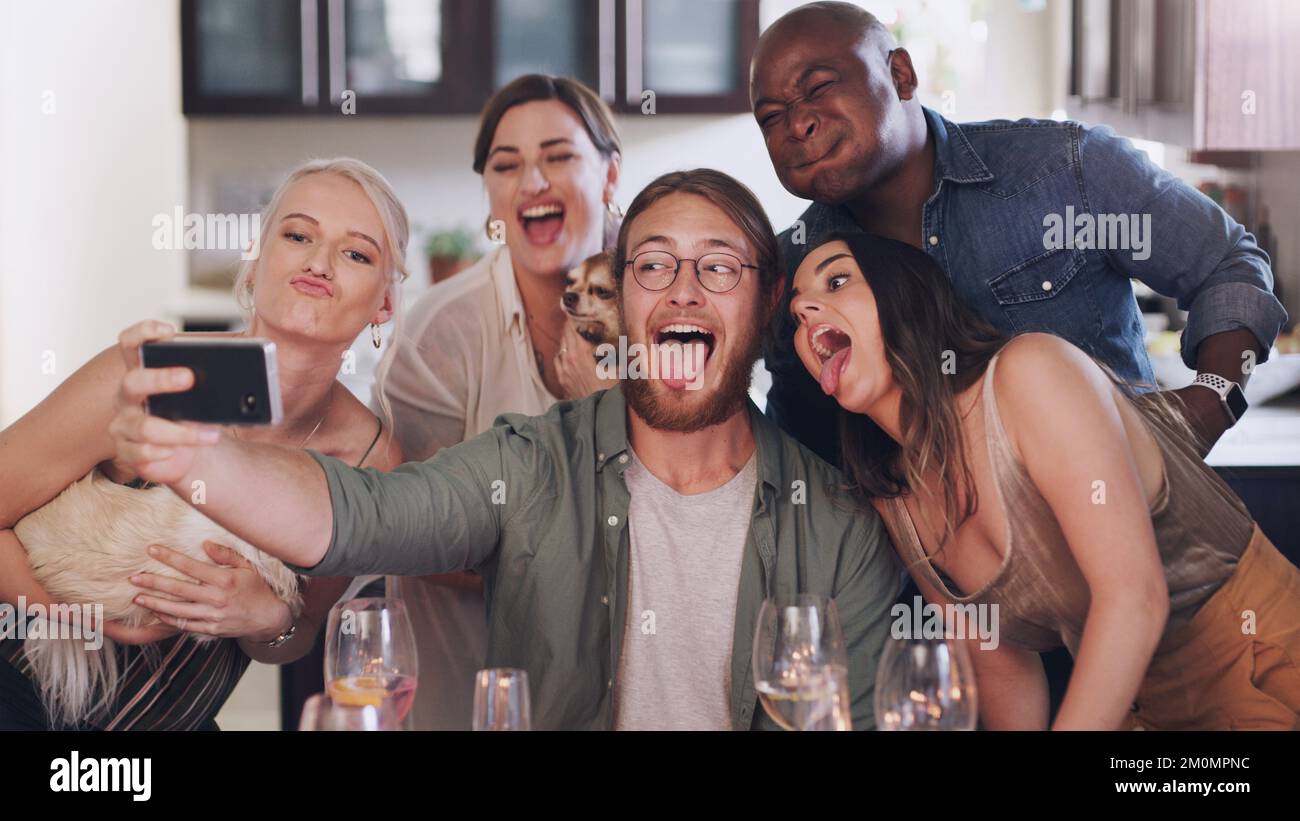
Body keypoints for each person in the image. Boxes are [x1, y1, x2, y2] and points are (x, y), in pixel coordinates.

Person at [107, 169, 901, 731]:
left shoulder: (838, 525)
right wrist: (196, 459)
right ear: (622, 301)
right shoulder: (528, 465)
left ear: (767, 304)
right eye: (653, 265)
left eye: (719, 267)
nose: (683, 290)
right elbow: (362, 513)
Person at [785, 232, 1300, 730]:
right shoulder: (895, 496)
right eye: (795, 310)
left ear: (906, 295)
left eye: (836, 282)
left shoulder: (1029, 371)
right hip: (1133, 712)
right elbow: (999, 663)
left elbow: (1135, 597)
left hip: (1265, 671)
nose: (806, 310)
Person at [752, 2, 1288, 467]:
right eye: (772, 117)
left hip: (1140, 535)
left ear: (900, 74)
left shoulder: (1063, 172)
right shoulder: (793, 272)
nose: (797, 124)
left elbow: (1227, 263)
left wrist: (1211, 401)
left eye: (818, 88)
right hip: (929, 576)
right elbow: (804, 456)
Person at [0, 157, 407, 730]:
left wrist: (268, 618)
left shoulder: (373, 460)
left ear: (384, 302)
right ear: (257, 257)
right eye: (297, 235)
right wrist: (84, 618)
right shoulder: (146, 378)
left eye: (357, 253)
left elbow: (295, 639)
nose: (319, 261)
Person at [381, 74, 622, 729]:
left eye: (559, 156)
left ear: (609, 174)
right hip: (469, 701)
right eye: (506, 165)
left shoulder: (672, 303)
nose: (532, 183)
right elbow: (426, 540)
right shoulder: (437, 336)